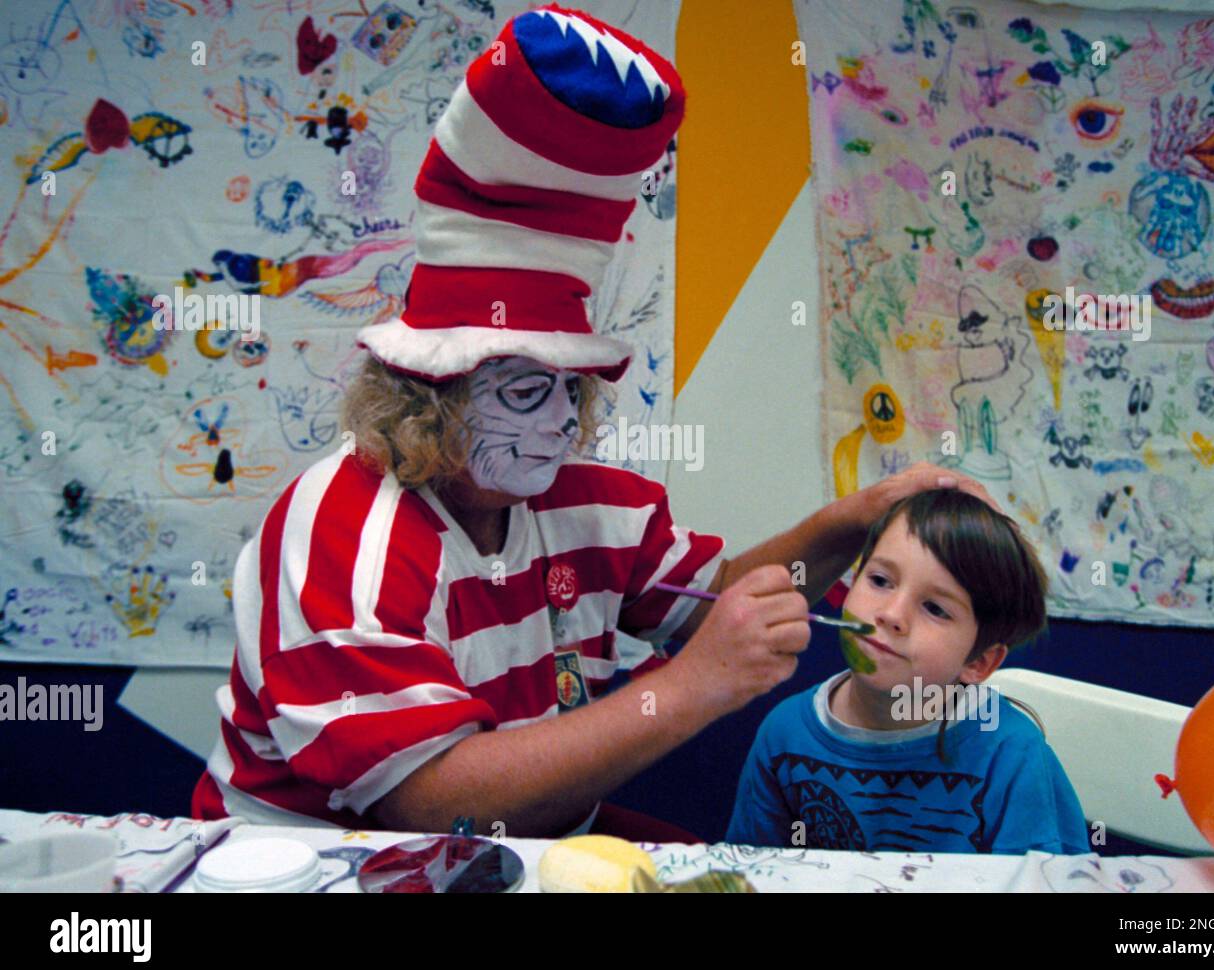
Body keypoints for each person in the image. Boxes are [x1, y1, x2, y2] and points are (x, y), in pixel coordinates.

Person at [191, 4, 1002, 840]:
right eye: (520, 391)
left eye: (569, 390)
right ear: (424, 394)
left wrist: (853, 517)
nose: (557, 424)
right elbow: (429, 804)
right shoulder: (341, 536)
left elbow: (709, 601)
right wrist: (690, 689)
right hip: (328, 862)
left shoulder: (583, 503)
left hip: (527, 842)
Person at [727, 489, 1091, 854]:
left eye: (934, 608)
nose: (892, 614)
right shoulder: (784, 734)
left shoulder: (1012, 754)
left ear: (978, 663)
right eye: (880, 581)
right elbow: (751, 872)